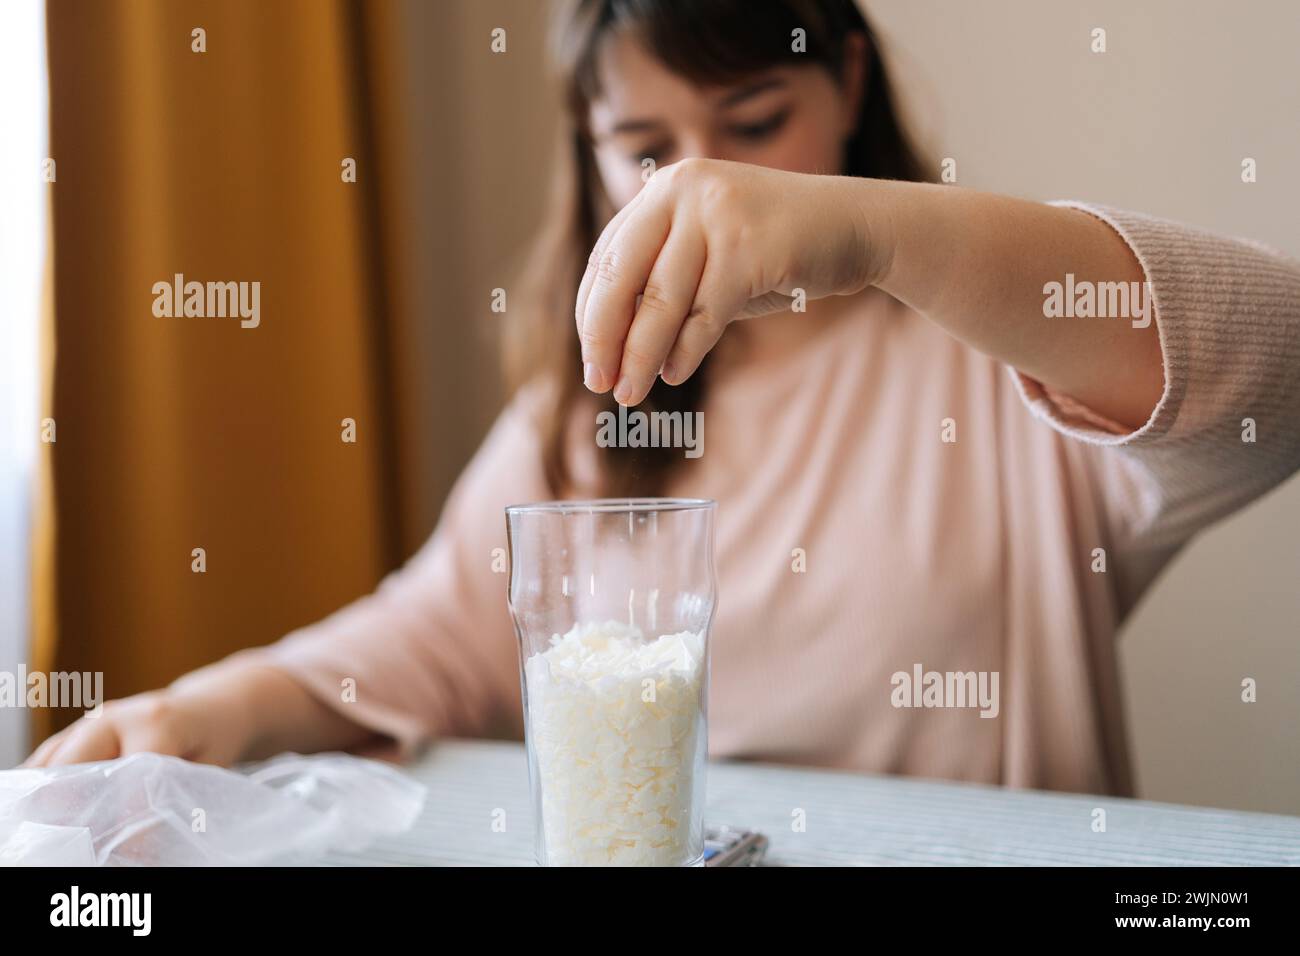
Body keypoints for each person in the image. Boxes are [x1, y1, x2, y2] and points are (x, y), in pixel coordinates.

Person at [26, 0, 1300, 796]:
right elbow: (438, 628)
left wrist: (867, 232)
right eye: (646, 148)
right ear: (588, 146)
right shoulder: (587, 413)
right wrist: (213, 705)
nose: (705, 189)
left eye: (754, 120)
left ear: (847, 85)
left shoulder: (1000, 362)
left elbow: (1276, 369)